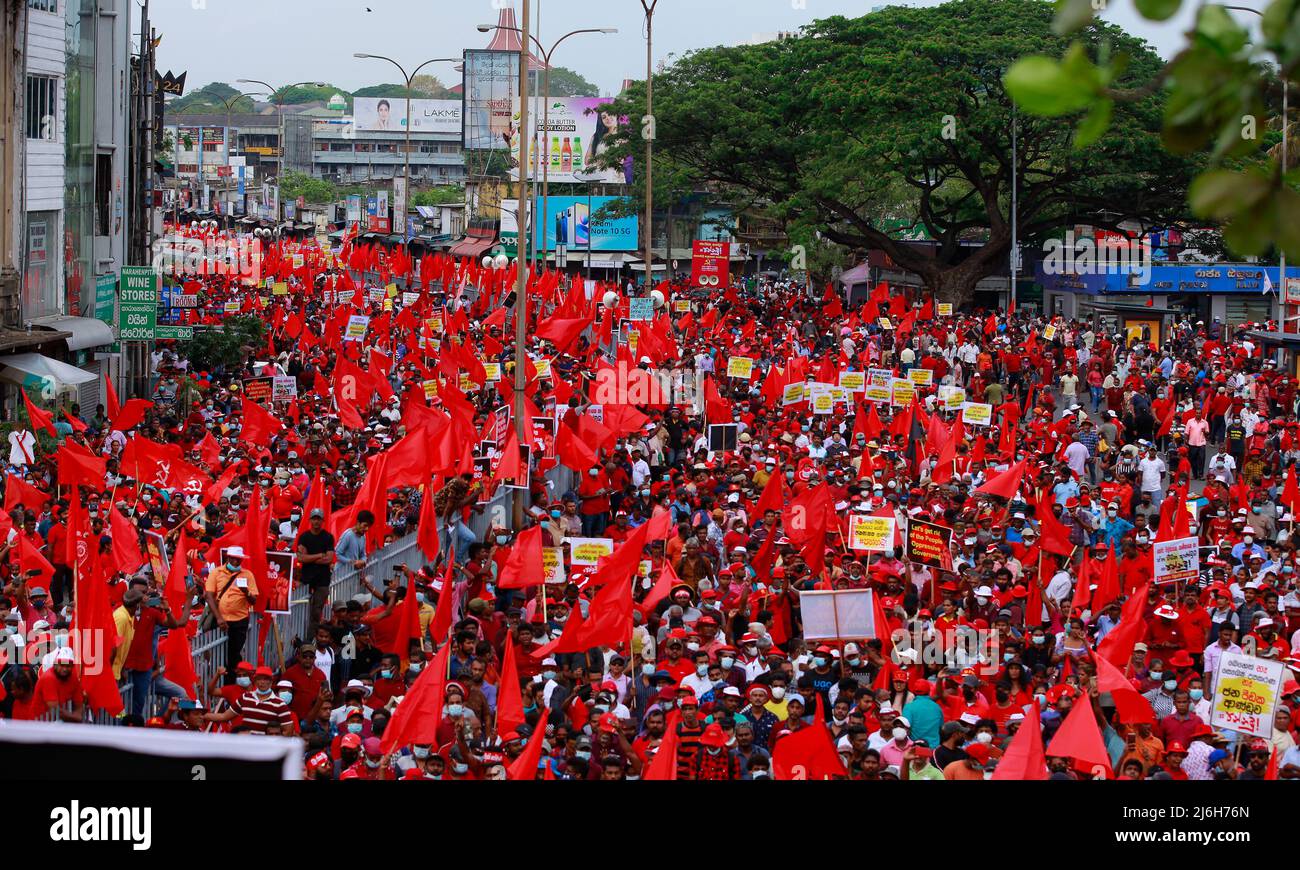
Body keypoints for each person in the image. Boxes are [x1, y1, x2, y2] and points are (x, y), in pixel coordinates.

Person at [203, 545, 258, 679]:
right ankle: (217, 681)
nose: (236, 562)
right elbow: (209, 596)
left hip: (239, 621)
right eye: (233, 559)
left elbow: (254, 600)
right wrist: (219, 618)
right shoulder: (216, 573)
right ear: (228, 558)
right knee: (218, 652)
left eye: (239, 559)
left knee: (234, 654)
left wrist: (246, 591)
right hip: (220, 619)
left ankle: (231, 682)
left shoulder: (248, 574)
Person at [296, 507, 337, 632]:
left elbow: (329, 559)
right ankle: (299, 634)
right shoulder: (304, 537)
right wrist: (319, 555)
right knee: (300, 610)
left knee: (316, 611)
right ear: (310, 520)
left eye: (318, 519)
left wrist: (309, 557)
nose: (316, 522)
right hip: (306, 578)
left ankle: (311, 637)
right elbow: (301, 558)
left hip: (322, 580)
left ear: (322, 521)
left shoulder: (328, 537)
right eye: (314, 519)